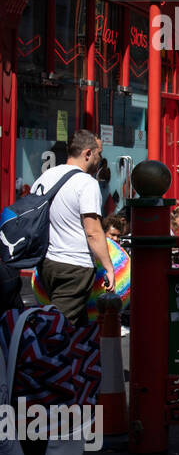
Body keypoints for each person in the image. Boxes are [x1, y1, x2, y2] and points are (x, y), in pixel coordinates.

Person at [32, 130, 115, 327]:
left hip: (47, 263)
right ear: (88, 153)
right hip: (73, 267)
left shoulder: (45, 177)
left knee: (77, 327)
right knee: (58, 328)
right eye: (99, 154)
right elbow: (93, 231)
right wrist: (109, 267)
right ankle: (37, 356)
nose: (100, 160)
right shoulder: (86, 183)